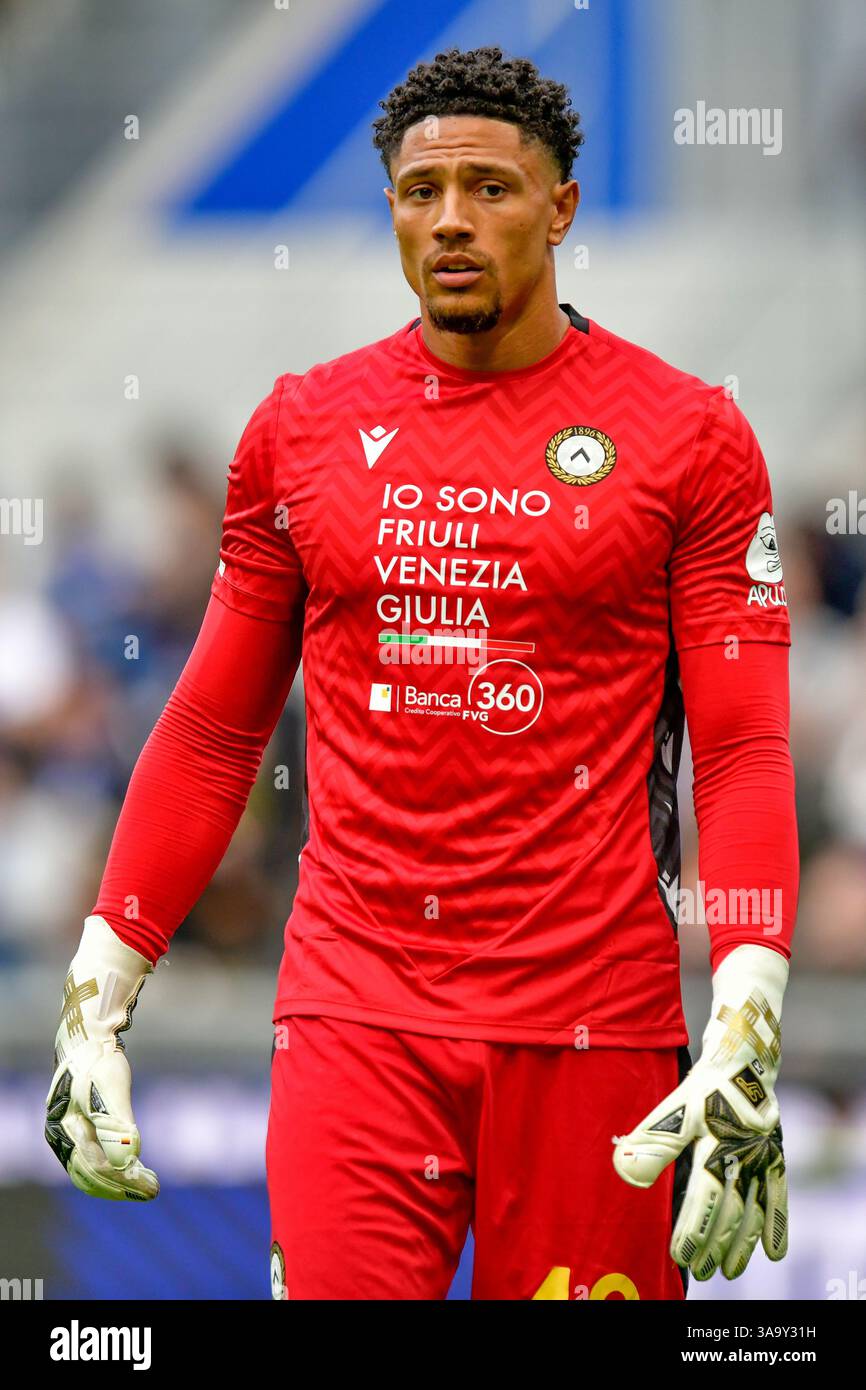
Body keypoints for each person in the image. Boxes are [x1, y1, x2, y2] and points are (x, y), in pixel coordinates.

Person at [45, 46, 798, 1301]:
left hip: (592, 1026)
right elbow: (216, 728)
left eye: (490, 188)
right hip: (355, 1013)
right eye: (419, 188)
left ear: (559, 207)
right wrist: (98, 990)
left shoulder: (688, 439)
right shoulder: (300, 430)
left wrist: (747, 1008)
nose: (449, 218)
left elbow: (736, 747)